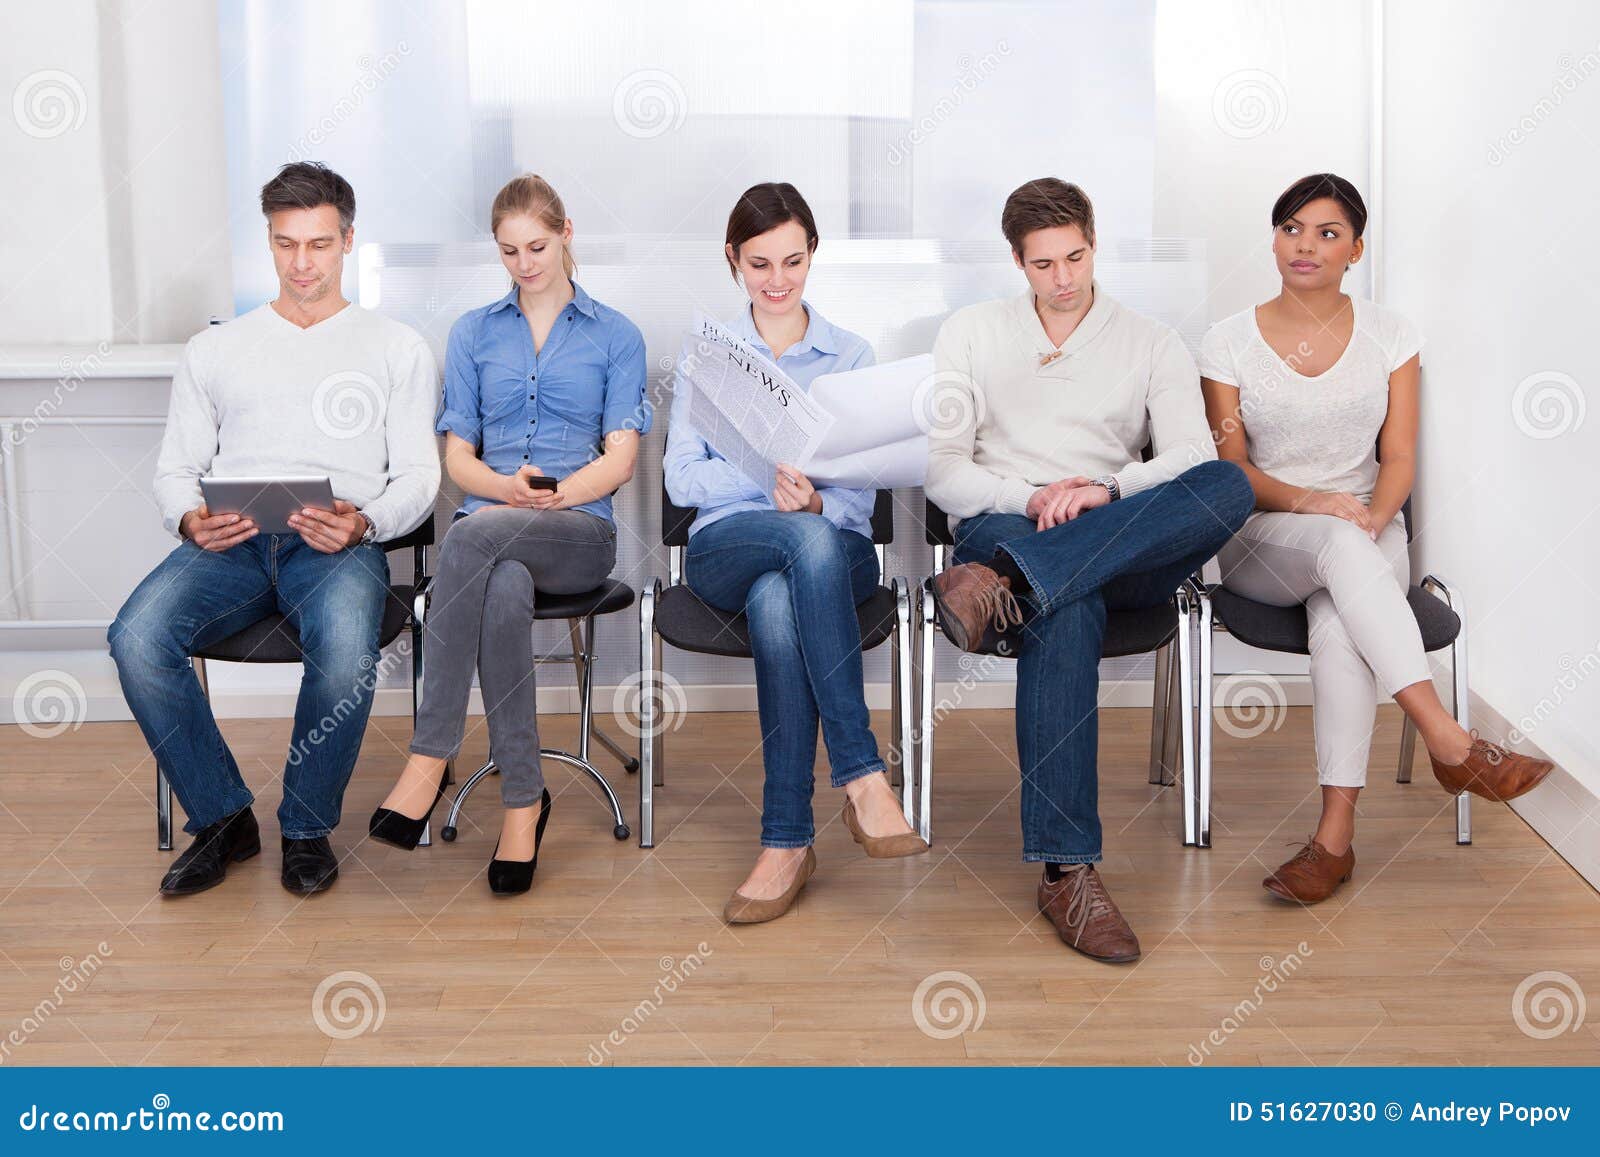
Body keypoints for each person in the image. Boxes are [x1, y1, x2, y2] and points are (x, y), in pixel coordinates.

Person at [925, 178, 1255, 964]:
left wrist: (1104, 489)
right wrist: (1034, 494)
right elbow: (943, 470)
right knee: (1067, 605)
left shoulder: (1151, 340)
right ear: (1017, 261)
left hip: (1113, 526)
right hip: (1008, 517)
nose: (1064, 277)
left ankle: (1014, 580)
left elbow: (1188, 457)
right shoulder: (969, 332)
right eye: (1044, 264)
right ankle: (1067, 871)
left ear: (1094, 243)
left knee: (1228, 483)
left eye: (1075, 256)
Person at [1200, 173, 1552, 904]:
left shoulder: (1392, 333)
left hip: (1367, 527)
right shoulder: (1227, 340)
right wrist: (1317, 503)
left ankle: (1332, 841)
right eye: (1293, 228)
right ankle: (1450, 742)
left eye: (1328, 233)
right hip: (1266, 535)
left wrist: (1368, 514)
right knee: (1336, 552)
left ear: (1356, 250)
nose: (1306, 245)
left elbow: (1398, 457)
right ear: (1273, 238)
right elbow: (1232, 469)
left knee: (1338, 619)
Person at [108, 162, 441, 897]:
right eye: (286, 243)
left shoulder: (396, 348)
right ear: (269, 242)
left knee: (348, 647)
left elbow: (420, 477)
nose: (301, 263)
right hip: (232, 541)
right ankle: (225, 817)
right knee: (135, 636)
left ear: (348, 241)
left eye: (319, 244)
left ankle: (305, 826)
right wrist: (190, 516)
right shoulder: (216, 348)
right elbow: (174, 469)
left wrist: (365, 523)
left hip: (335, 545)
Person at [369, 174, 648, 895]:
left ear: (566, 233)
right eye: (508, 251)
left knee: (470, 543)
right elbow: (457, 458)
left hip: (579, 531)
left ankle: (429, 757)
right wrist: (504, 491)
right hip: (490, 530)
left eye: (537, 245)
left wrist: (551, 498)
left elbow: (620, 456)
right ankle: (524, 803)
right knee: (500, 579)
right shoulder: (472, 333)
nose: (525, 263)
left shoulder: (615, 334)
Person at [664, 181, 927, 925]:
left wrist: (814, 500)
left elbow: (858, 491)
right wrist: (762, 473)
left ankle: (786, 842)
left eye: (792, 261)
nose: (776, 280)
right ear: (732, 260)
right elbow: (681, 478)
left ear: (813, 254)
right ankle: (863, 777)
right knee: (789, 555)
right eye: (758, 264)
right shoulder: (708, 355)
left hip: (833, 546)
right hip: (726, 545)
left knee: (788, 584)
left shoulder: (851, 354)